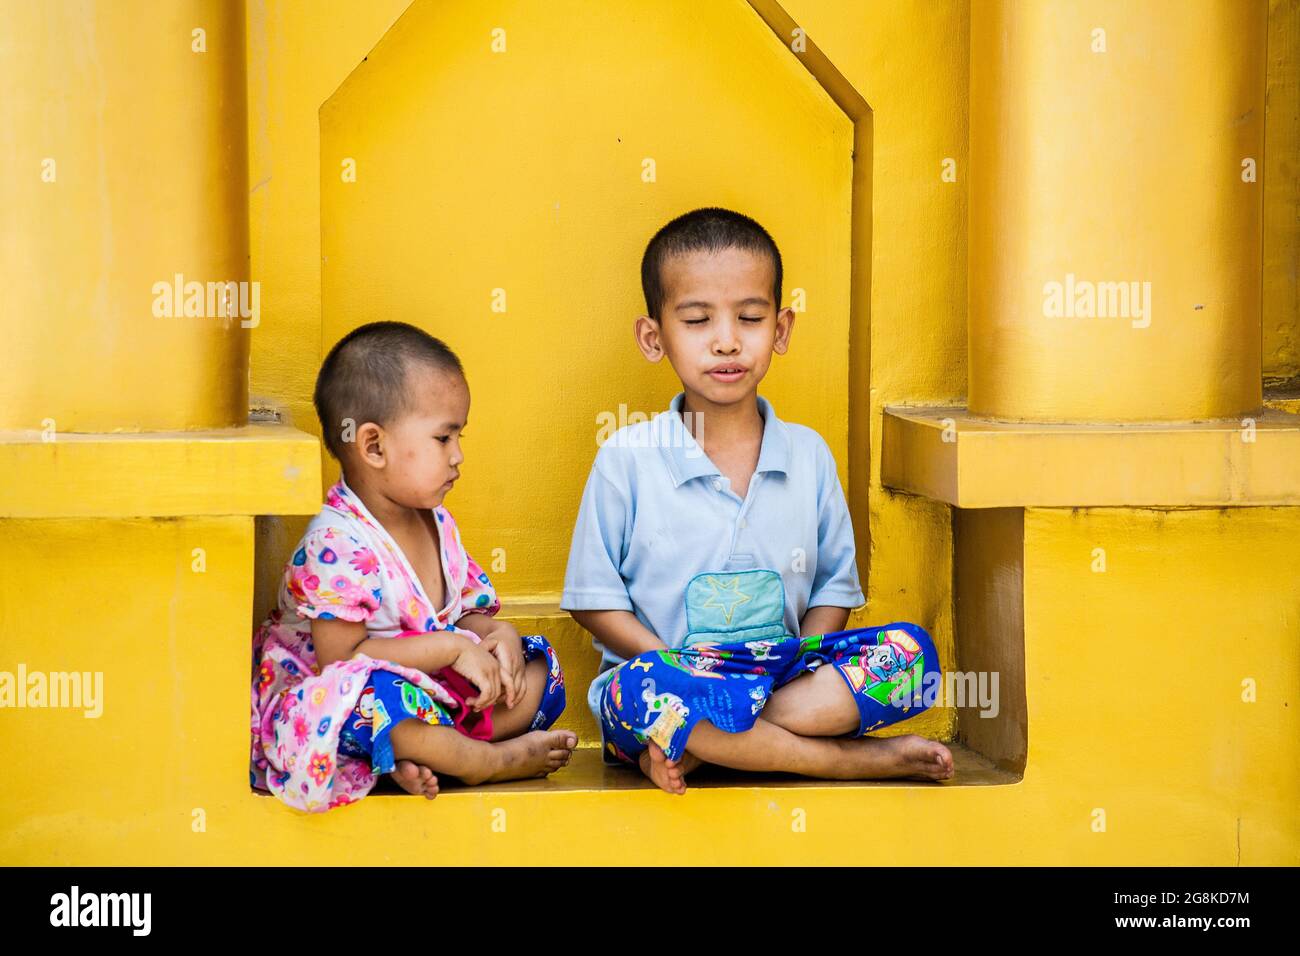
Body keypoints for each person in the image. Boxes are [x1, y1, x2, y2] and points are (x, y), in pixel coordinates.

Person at [561, 207, 954, 794]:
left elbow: (831, 592)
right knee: (645, 692)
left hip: (779, 678)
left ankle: (714, 744)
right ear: (654, 337)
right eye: (697, 320)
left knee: (912, 659)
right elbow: (594, 603)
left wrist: (801, 661)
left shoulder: (808, 455)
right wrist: (682, 669)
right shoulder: (627, 458)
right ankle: (842, 760)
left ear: (781, 329)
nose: (726, 341)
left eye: (749, 317)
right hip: (662, 678)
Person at [251, 321, 575, 812]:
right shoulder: (338, 543)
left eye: (459, 436)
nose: (459, 456)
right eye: (444, 438)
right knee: (377, 701)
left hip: (431, 697)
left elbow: (464, 612)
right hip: (347, 698)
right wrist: (448, 649)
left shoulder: (437, 522)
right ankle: (482, 761)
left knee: (538, 671)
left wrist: (497, 636)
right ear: (374, 446)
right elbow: (342, 662)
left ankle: (425, 752)